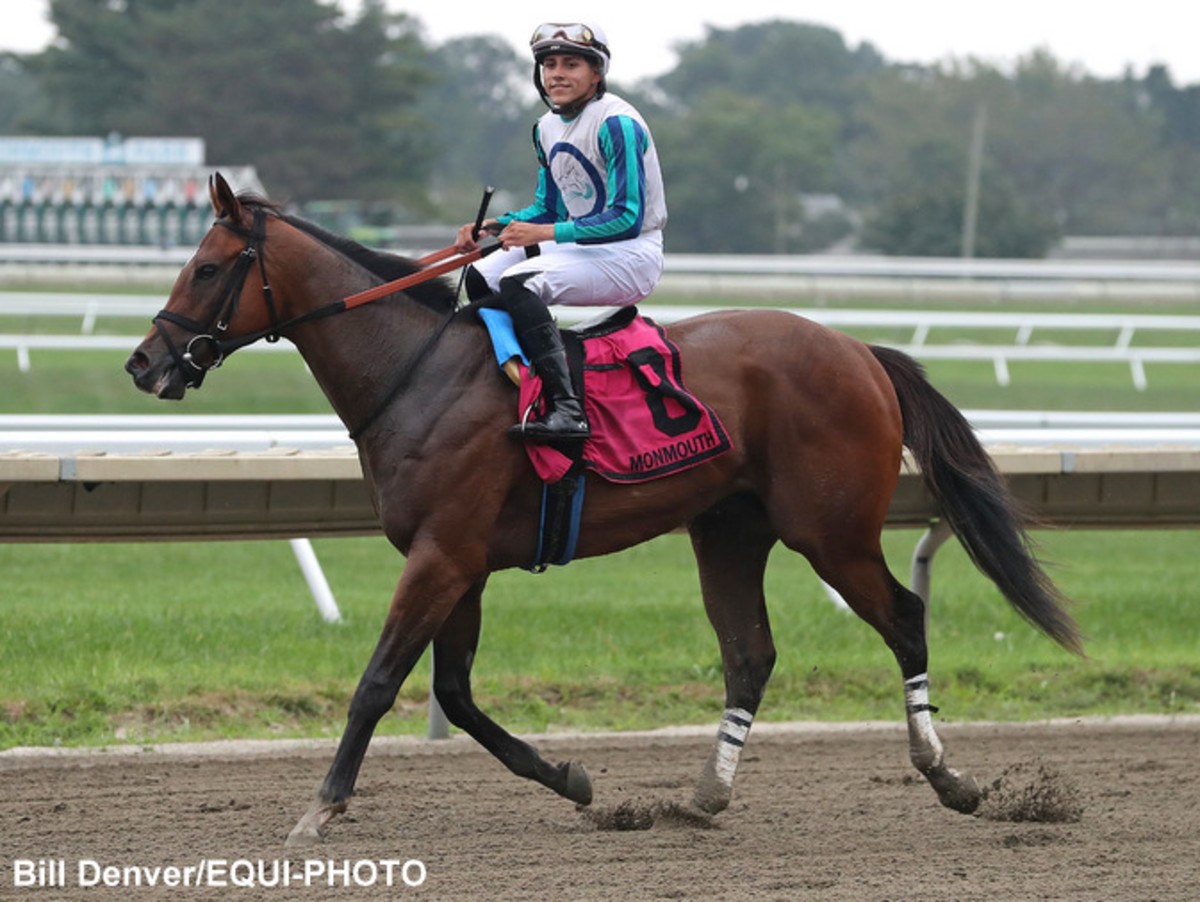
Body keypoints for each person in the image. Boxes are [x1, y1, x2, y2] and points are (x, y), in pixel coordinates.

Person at [455, 21, 668, 443]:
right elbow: (548, 207)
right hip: (583, 247)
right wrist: (498, 224)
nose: (557, 74)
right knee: (483, 275)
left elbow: (626, 218)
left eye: (571, 64)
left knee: (518, 283)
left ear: (596, 73)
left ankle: (567, 410)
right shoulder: (545, 128)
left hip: (632, 254)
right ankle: (515, 374)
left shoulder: (616, 124)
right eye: (549, 64)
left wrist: (544, 233)